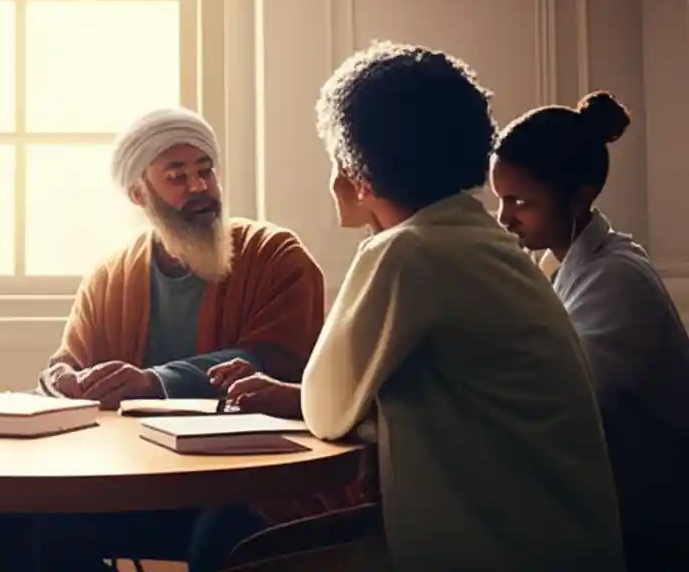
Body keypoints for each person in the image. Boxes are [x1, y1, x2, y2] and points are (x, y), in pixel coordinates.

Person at [211, 42, 625, 571]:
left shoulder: (407, 252)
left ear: (353, 171)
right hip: (553, 541)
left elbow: (326, 407)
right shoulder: (484, 241)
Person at [10, 107, 325, 570]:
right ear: (140, 194)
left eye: (205, 171)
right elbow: (65, 364)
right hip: (135, 479)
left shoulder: (276, 255)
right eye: (177, 176)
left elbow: (274, 356)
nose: (199, 188)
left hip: (245, 481)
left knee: (226, 530)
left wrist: (154, 382)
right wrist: (63, 381)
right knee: (30, 514)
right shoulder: (109, 275)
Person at [492, 90, 689, 570]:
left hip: (654, 522)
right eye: (500, 200)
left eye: (520, 202)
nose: (504, 218)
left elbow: (570, 400)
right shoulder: (560, 269)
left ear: (581, 197)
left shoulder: (616, 278)